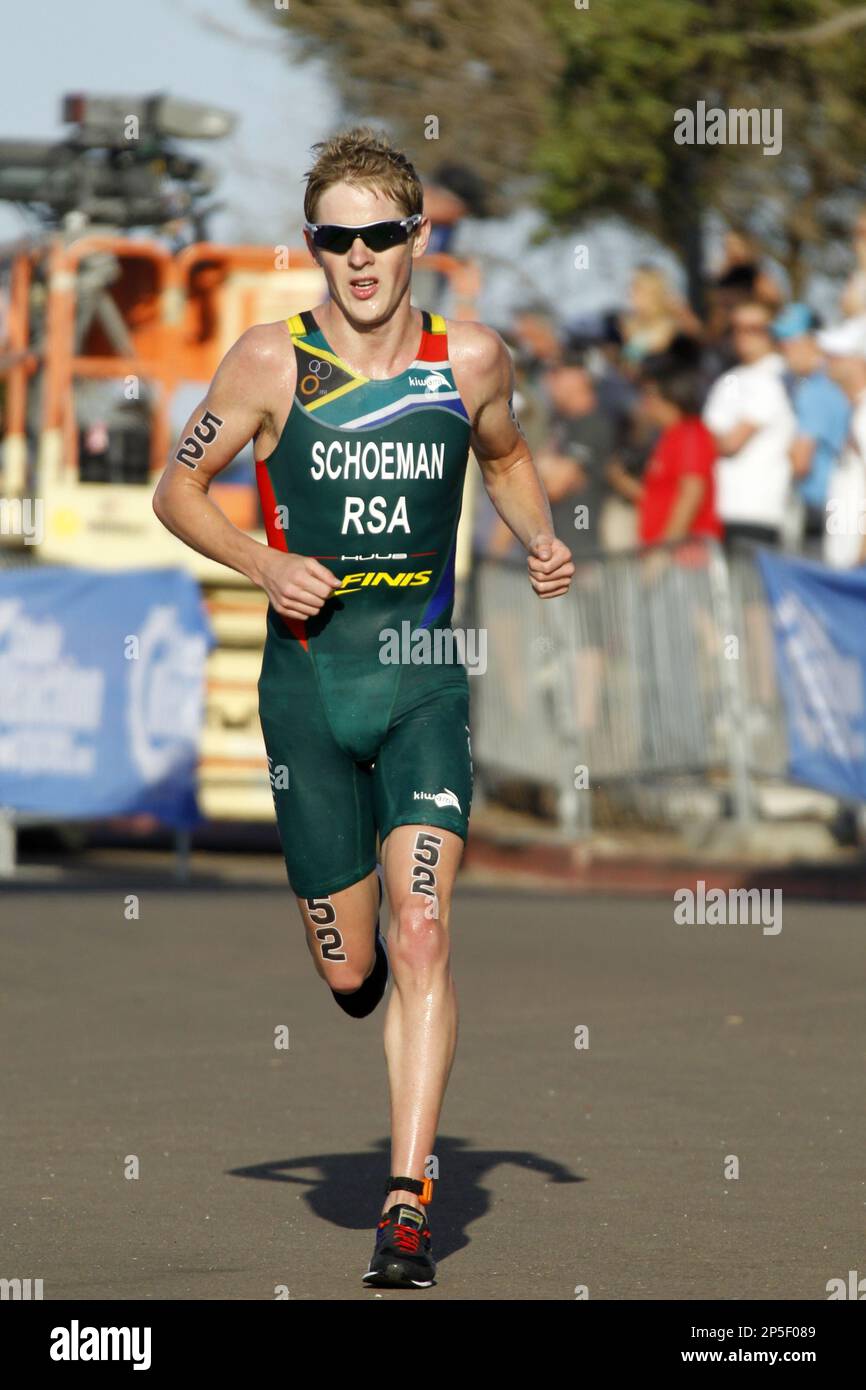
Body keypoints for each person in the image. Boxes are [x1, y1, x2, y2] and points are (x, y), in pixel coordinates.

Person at [152, 126, 574, 1290]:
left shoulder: (472, 359)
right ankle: (370, 990)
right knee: (351, 971)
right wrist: (256, 559)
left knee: (425, 926)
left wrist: (538, 536)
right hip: (306, 691)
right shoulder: (264, 364)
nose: (358, 258)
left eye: (378, 235)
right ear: (313, 249)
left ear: (415, 238)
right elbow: (174, 489)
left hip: (423, 680)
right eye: (333, 239)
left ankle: (406, 1196)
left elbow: (504, 455)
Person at [702, 301, 796, 548]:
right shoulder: (728, 379)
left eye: (754, 328)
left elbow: (730, 442)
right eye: (737, 328)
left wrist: (704, 438)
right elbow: (709, 437)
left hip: (757, 512)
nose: (743, 336)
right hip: (719, 510)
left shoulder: (778, 377)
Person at [773, 303, 850, 558]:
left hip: (820, 507)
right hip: (843, 506)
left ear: (813, 342)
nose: (785, 352)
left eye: (791, 343)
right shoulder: (837, 382)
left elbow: (801, 461)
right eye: (781, 344)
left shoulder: (815, 390)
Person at [637, 354, 723, 545]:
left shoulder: (691, 434)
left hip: (685, 558)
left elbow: (691, 493)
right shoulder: (669, 437)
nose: (645, 404)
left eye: (649, 395)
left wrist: (663, 552)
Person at [815, 316, 866, 569]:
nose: (827, 361)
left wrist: (861, 556)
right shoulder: (856, 411)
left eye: (837, 355)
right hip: (846, 562)